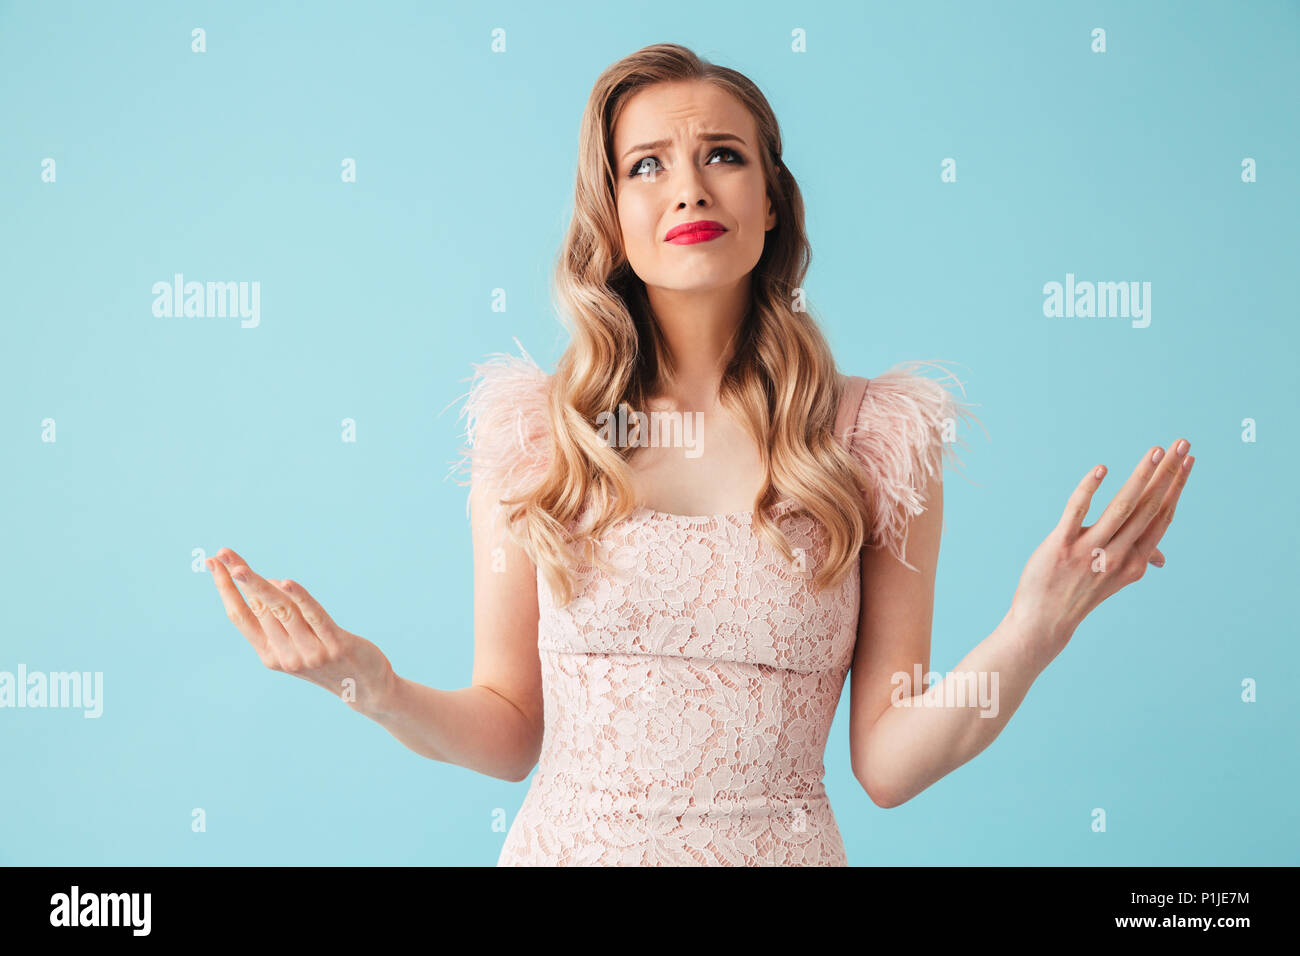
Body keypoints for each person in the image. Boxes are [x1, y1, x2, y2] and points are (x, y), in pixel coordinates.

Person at [205, 43, 1194, 866]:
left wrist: (1036, 622)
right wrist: (368, 684)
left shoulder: (874, 439)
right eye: (646, 164)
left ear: (772, 203)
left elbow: (888, 763)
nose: (686, 184)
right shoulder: (532, 437)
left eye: (722, 154)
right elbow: (509, 731)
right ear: (614, 220)